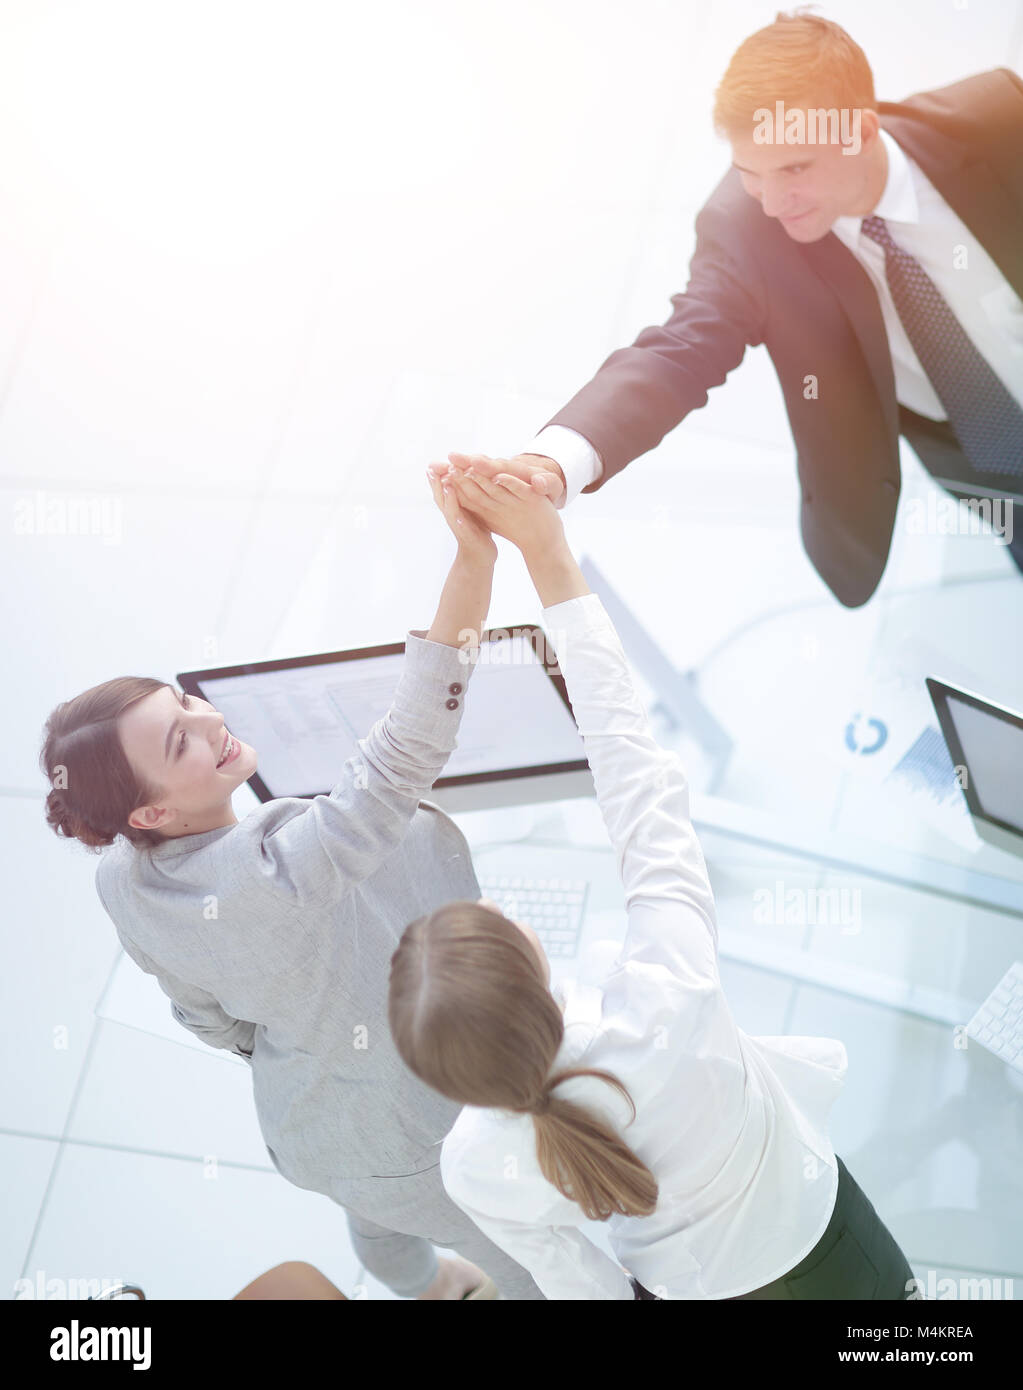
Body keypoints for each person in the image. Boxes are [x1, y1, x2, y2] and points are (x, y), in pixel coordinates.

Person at [389, 465, 917, 1300]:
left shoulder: (474, 1166)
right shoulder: (666, 989)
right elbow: (633, 774)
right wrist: (548, 555)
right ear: (527, 954)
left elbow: (584, 1288)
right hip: (827, 1248)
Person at [38, 469, 543, 1301]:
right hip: (413, 1137)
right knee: (528, 1260)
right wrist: (472, 566)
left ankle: (427, 1287)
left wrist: (302, 1010)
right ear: (154, 813)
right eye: (179, 743)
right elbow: (400, 757)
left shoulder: (120, 879)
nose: (209, 721)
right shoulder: (274, 875)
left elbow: (205, 1016)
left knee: (380, 1224)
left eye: (183, 704)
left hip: (311, 1129)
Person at [445, 9, 1023, 606]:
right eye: (751, 173)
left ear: (864, 133)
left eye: (795, 169)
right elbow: (677, 354)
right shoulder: (747, 233)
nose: (775, 202)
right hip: (988, 463)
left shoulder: (998, 119)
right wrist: (556, 462)